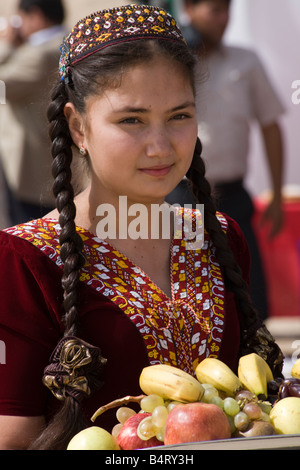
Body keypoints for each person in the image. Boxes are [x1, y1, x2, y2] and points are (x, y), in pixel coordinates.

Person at [0, 4, 283, 450]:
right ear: (78, 127)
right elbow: (13, 438)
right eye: (131, 120)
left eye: (179, 116)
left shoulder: (219, 236)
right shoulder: (24, 259)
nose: (161, 145)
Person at [166, 0, 285, 321]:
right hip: (181, 195)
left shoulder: (245, 62)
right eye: (214, 10)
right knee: (191, 292)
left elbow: (271, 126)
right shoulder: (171, 63)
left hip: (232, 195)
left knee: (250, 293)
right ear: (188, 9)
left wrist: (274, 194)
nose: (223, 19)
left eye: (227, 9)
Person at [0, 0, 66, 225]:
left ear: (36, 16)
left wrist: (6, 44)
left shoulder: (40, 53)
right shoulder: (65, 41)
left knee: (30, 228)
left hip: (32, 162)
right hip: (50, 154)